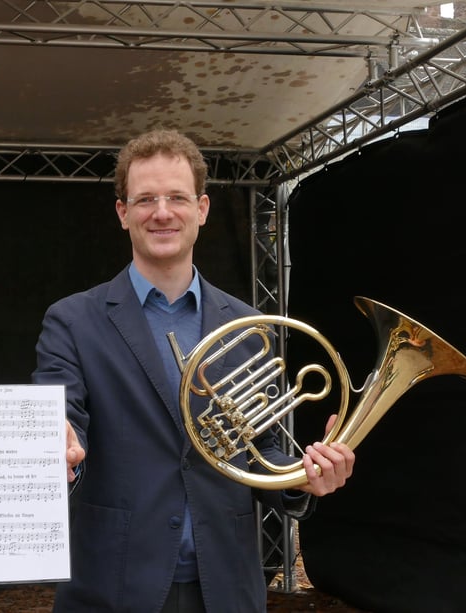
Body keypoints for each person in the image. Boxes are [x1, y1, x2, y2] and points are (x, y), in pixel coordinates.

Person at [30, 129, 356, 613]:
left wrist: (304, 476)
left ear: (201, 209)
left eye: (177, 197)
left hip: (225, 585)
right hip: (115, 585)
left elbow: (262, 448)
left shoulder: (247, 325)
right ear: (123, 213)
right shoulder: (73, 320)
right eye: (145, 199)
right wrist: (52, 436)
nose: (162, 212)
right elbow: (59, 413)